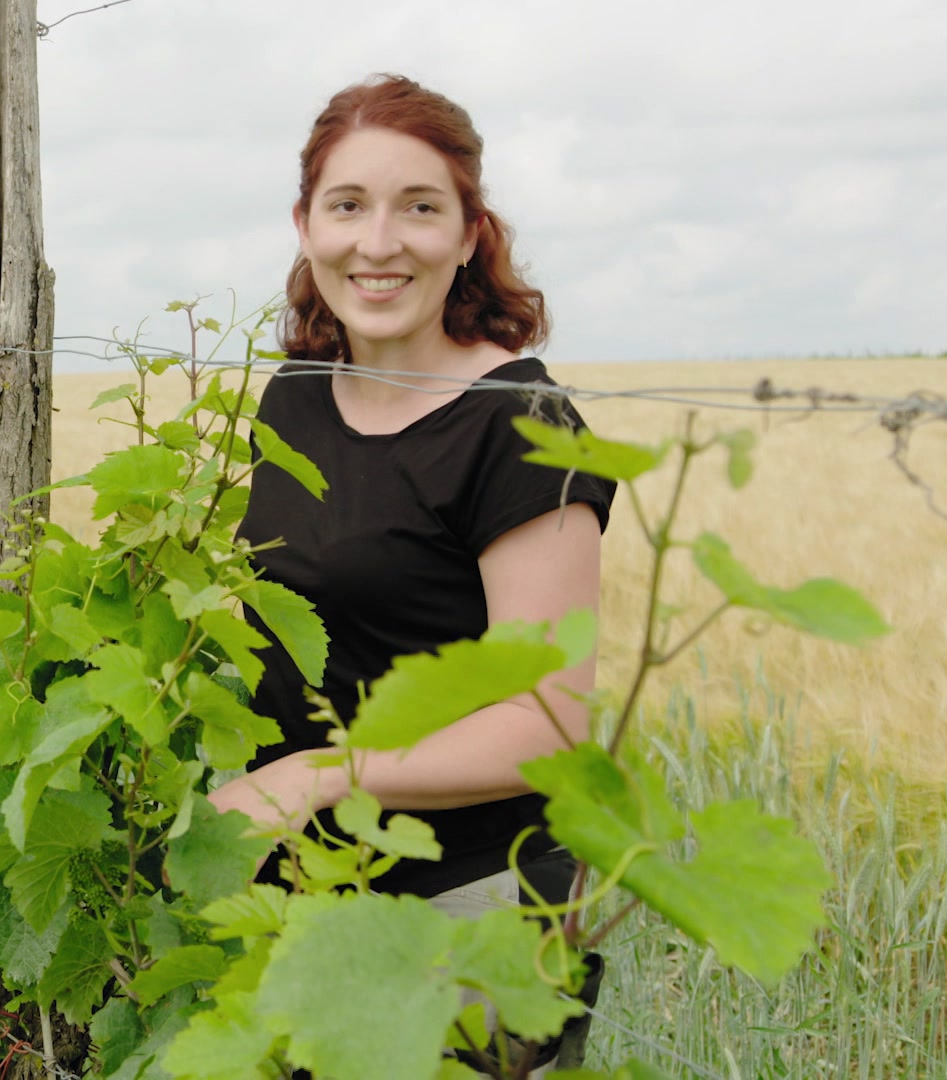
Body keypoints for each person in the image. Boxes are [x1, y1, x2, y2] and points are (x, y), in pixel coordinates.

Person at [212, 74, 612, 1069]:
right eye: (348, 205)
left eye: (420, 208)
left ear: (471, 232)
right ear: (305, 224)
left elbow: (549, 725)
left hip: (470, 909)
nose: (379, 243)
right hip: (303, 891)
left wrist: (315, 776)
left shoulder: (522, 426)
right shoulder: (293, 401)